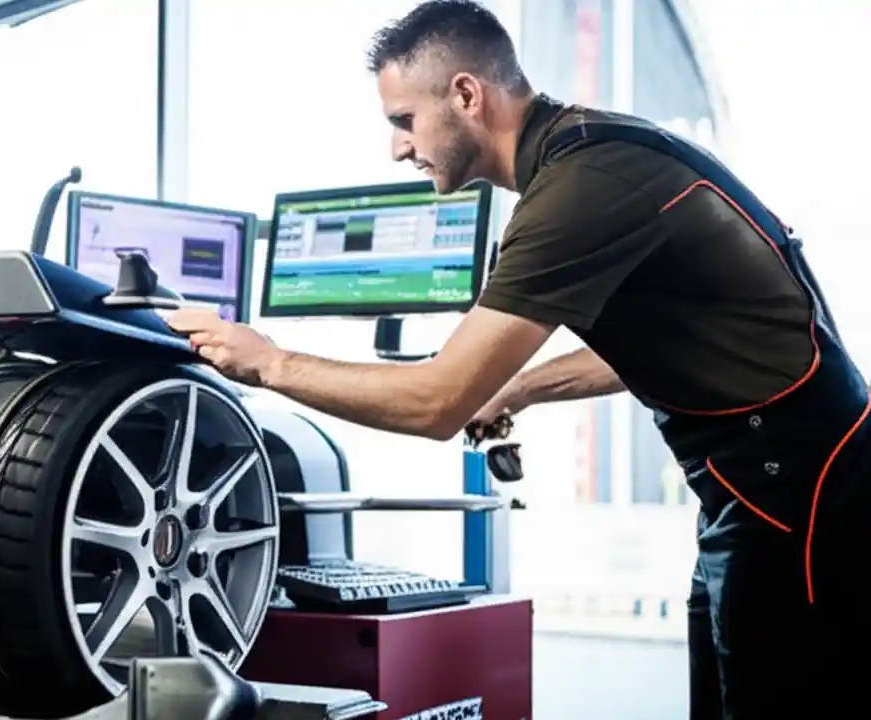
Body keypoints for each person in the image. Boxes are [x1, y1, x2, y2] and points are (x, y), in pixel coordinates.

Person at [164, 1, 870, 717]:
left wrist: (268, 363)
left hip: (801, 484)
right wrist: (522, 387)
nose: (399, 150)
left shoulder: (581, 189)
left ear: (466, 95)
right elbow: (684, 342)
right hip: (755, 482)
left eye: (403, 122)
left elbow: (437, 403)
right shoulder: (587, 155)